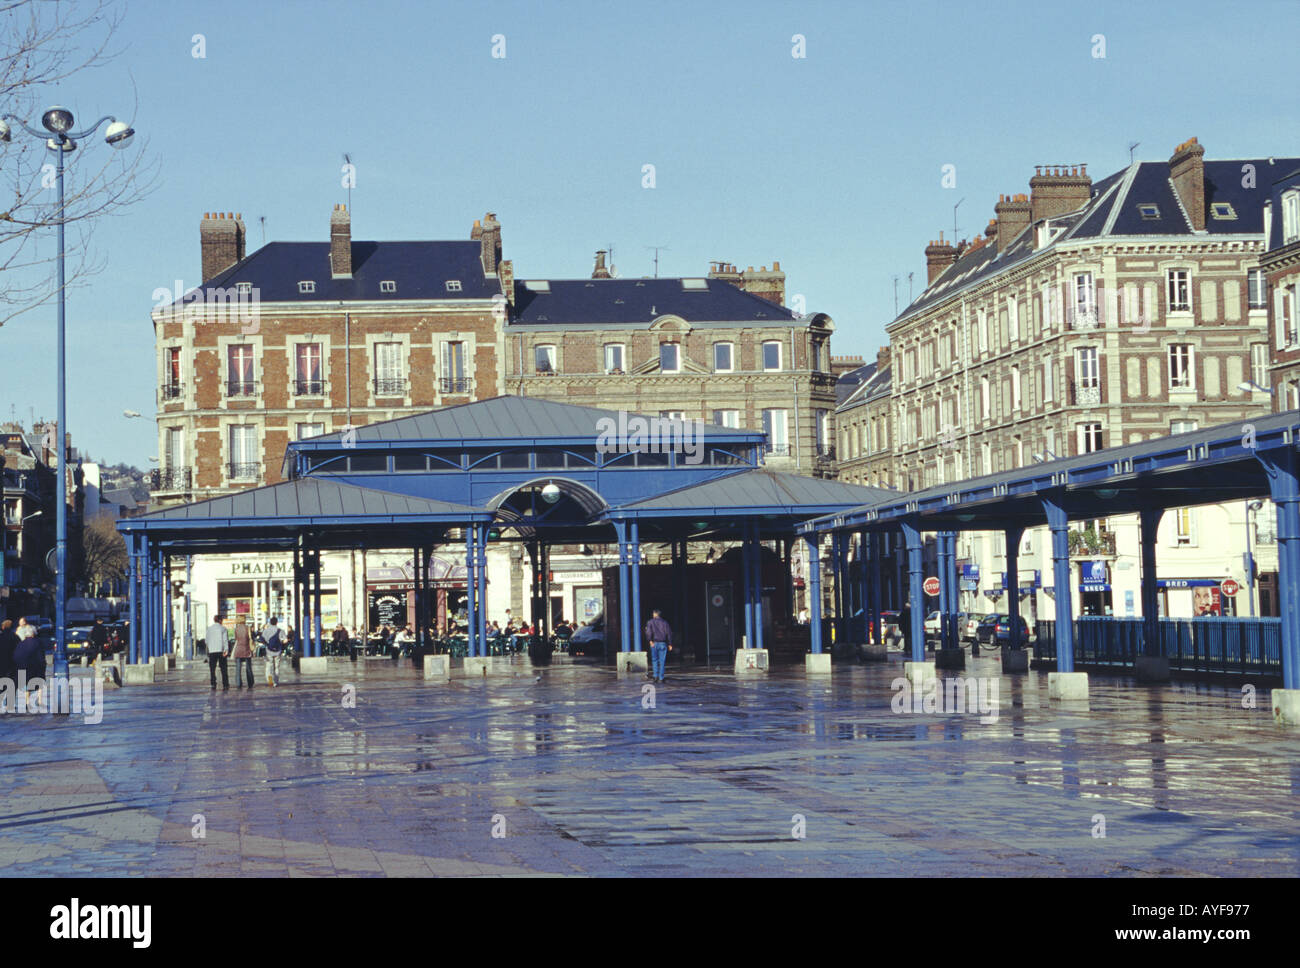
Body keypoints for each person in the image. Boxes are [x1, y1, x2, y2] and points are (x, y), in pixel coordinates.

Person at [644, 608, 673, 683]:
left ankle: (655, 676)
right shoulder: (665, 623)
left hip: (654, 643)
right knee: (662, 661)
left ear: (655, 614)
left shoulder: (650, 622)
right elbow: (669, 633)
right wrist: (670, 644)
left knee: (654, 660)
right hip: (663, 643)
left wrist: (650, 641)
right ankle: (661, 677)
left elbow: (648, 632)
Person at [205, 615, 230, 691]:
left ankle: (213, 683)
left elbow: (206, 640)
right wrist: (226, 649)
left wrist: (210, 648)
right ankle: (225, 684)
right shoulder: (223, 629)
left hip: (212, 651)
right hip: (221, 650)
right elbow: (225, 640)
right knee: (223, 668)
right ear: (220, 620)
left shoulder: (209, 629)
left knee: (212, 669)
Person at [262, 617, 285, 687]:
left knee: (269, 667)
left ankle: (270, 681)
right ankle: (276, 682)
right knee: (277, 667)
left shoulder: (266, 631)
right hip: (278, 651)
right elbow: (285, 640)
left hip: (269, 651)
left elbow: (262, 639)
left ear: (270, 622)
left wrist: (267, 644)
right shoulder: (280, 630)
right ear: (276, 622)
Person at [0, 620, 18, 710]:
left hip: (1, 664)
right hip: (12, 663)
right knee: (11, 684)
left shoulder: (1, 637)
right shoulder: (15, 637)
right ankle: (10, 704)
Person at [232, 617, 254, 689]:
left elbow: (236, 639)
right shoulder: (248, 628)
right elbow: (250, 638)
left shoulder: (236, 629)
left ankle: (238, 683)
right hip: (246, 649)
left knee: (238, 668)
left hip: (238, 650)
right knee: (248, 667)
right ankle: (250, 683)